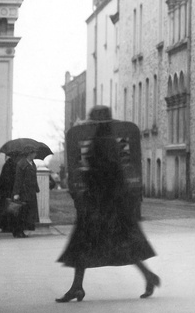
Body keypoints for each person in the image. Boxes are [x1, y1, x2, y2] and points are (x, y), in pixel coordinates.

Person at [56, 105, 161, 302]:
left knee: (90, 244)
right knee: (103, 245)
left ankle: (148, 276)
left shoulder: (103, 141)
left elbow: (106, 172)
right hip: (105, 203)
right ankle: (77, 287)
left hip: (102, 204)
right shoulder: (107, 138)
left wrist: (87, 183)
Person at [10, 148, 41, 237]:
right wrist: (16, 193)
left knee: (27, 213)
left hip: (31, 192)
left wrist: (36, 188)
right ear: (29, 153)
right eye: (34, 153)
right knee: (21, 212)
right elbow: (18, 179)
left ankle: (21, 231)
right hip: (23, 192)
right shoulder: (21, 164)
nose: (36, 155)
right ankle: (17, 231)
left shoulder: (32, 163)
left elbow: (34, 177)